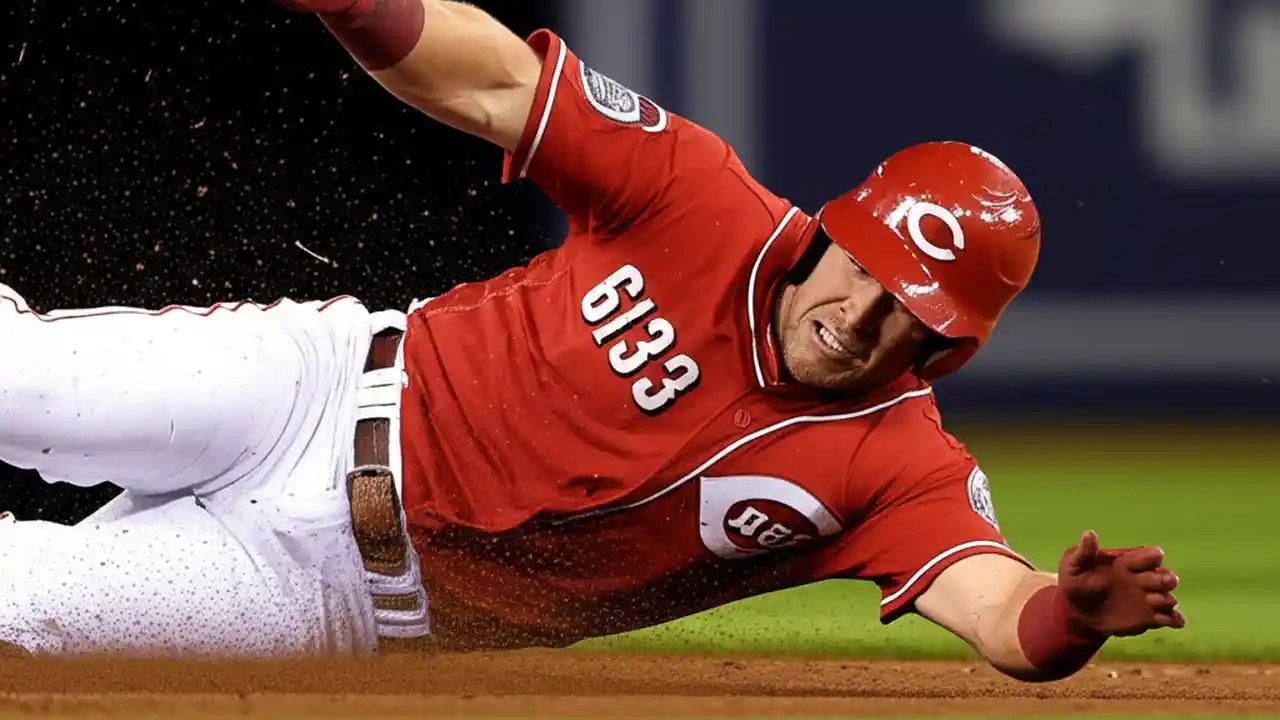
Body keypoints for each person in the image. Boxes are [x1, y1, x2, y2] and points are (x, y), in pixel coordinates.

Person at [0, 0, 1183, 680]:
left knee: (19, 603)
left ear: (949, 345)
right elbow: (499, 87)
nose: (861, 317)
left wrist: (1067, 617)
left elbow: (998, 613)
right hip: (308, 390)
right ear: (834, 230)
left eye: (909, 315)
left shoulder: (895, 469)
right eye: (864, 271)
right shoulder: (698, 197)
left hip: (331, 601)